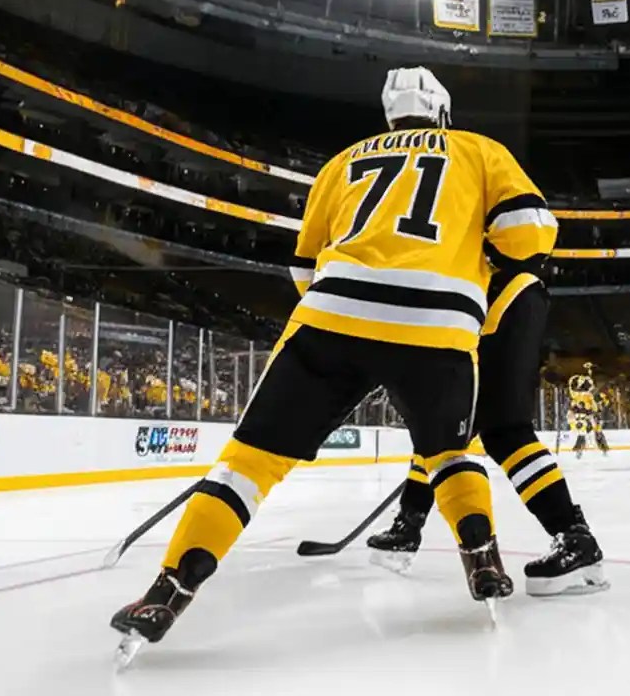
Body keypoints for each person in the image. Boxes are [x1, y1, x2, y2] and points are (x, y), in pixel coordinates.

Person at [110, 66, 558, 659]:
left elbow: (303, 267)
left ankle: (169, 588)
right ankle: (482, 560)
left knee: (249, 464)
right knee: (449, 454)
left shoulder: (342, 161)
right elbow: (530, 234)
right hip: (438, 324)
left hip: (332, 316)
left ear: (389, 114)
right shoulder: (478, 149)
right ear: (443, 110)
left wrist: (351, 321)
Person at [367, 271, 607, 597]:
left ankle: (574, 537)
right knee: (452, 427)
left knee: (499, 428)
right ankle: (409, 526)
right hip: (501, 295)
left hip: (492, 297)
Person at [567, 364, 609, 457]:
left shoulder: (587, 395)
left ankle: (603, 448)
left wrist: (599, 405)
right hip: (585, 416)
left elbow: (601, 403)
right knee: (583, 431)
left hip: (590, 415)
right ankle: (580, 449)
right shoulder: (580, 395)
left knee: (596, 431)